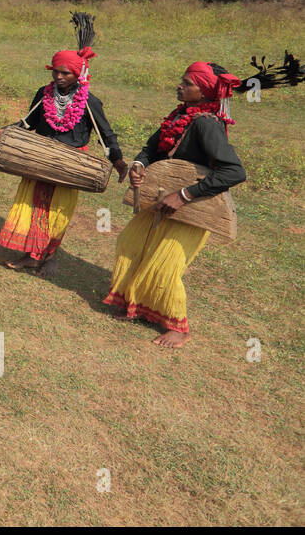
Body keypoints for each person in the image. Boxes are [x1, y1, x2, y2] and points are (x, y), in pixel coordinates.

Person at [104, 62, 246, 348]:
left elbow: (234, 172)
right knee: (132, 245)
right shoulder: (180, 115)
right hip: (161, 199)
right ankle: (138, 306)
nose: (179, 86)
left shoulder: (206, 123)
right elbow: (152, 148)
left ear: (204, 91)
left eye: (187, 83)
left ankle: (178, 327)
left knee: (165, 264)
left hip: (194, 208)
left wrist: (183, 196)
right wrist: (140, 164)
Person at [0, 35, 127, 277]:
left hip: (71, 163)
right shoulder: (43, 94)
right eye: (56, 71)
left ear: (78, 74)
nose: (58, 77)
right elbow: (28, 123)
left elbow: (105, 134)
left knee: (57, 210)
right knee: (35, 204)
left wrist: (117, 161)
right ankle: (31, 255)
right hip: (40, 157)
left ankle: (49, 256)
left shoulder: (89, 101)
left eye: (65, 73)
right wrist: (5, 132)